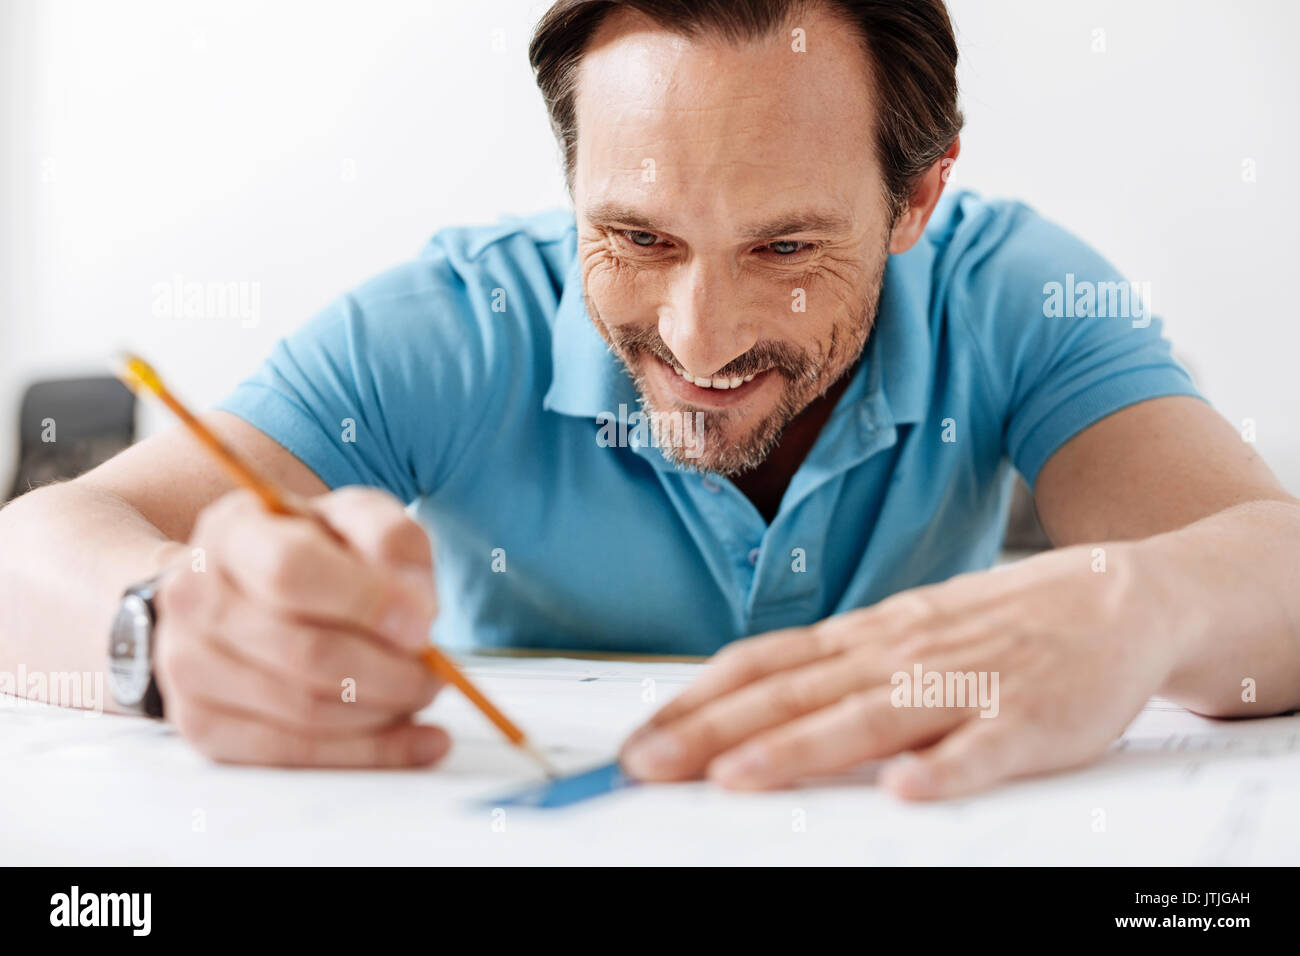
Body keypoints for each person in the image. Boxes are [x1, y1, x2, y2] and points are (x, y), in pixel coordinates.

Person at [2, 0, 1297, 801]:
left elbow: (1275, 570)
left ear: (916, 197)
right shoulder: (456, 323)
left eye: (785, 248)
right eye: (635, 237)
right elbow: (30, 555)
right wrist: (163, 630)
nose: (699, 338)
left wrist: (1138, 605)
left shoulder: (1015, 291)